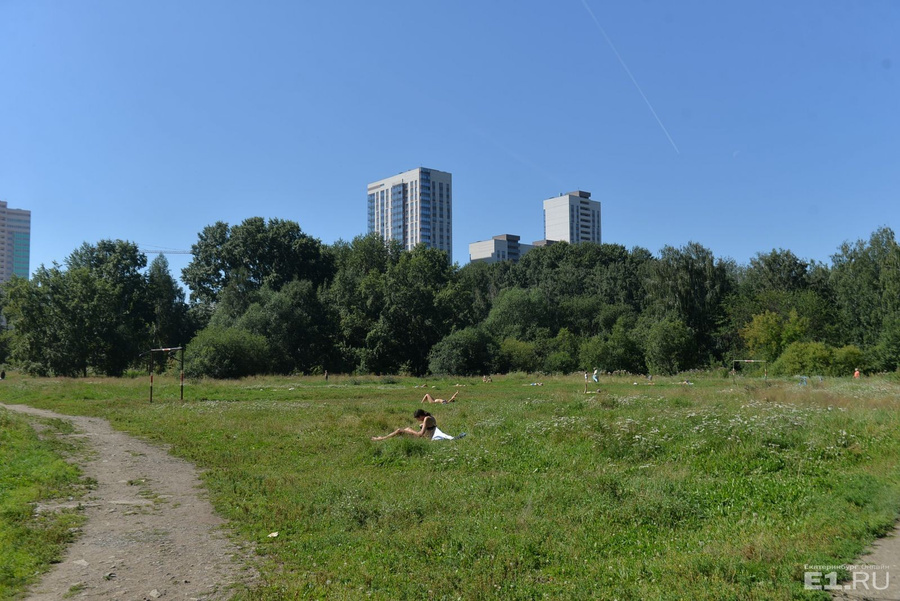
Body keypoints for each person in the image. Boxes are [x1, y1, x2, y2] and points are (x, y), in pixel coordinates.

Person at [371, 409, 438, 441]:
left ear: (420, 416)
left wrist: (412, 431)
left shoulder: (426, 419)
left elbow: (420, 434)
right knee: (407, 429)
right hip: (427, 436)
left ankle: (381, 438)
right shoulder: (430, 417)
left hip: (425, 439)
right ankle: (392, 438)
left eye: (417, 418)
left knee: (399, 430)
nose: (418, 420)